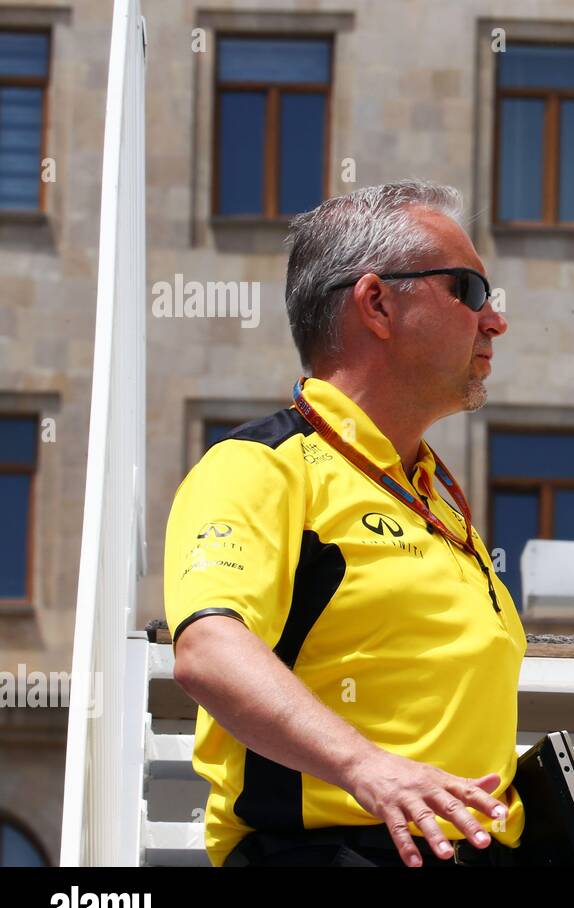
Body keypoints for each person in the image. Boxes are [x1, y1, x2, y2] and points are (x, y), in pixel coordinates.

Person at [164, 180, 523, 867]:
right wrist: (367, 767)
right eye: (470, 291)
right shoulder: (262, 467)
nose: (495, 320)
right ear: (378, 304)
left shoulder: (431, 493)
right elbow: (208, 649)